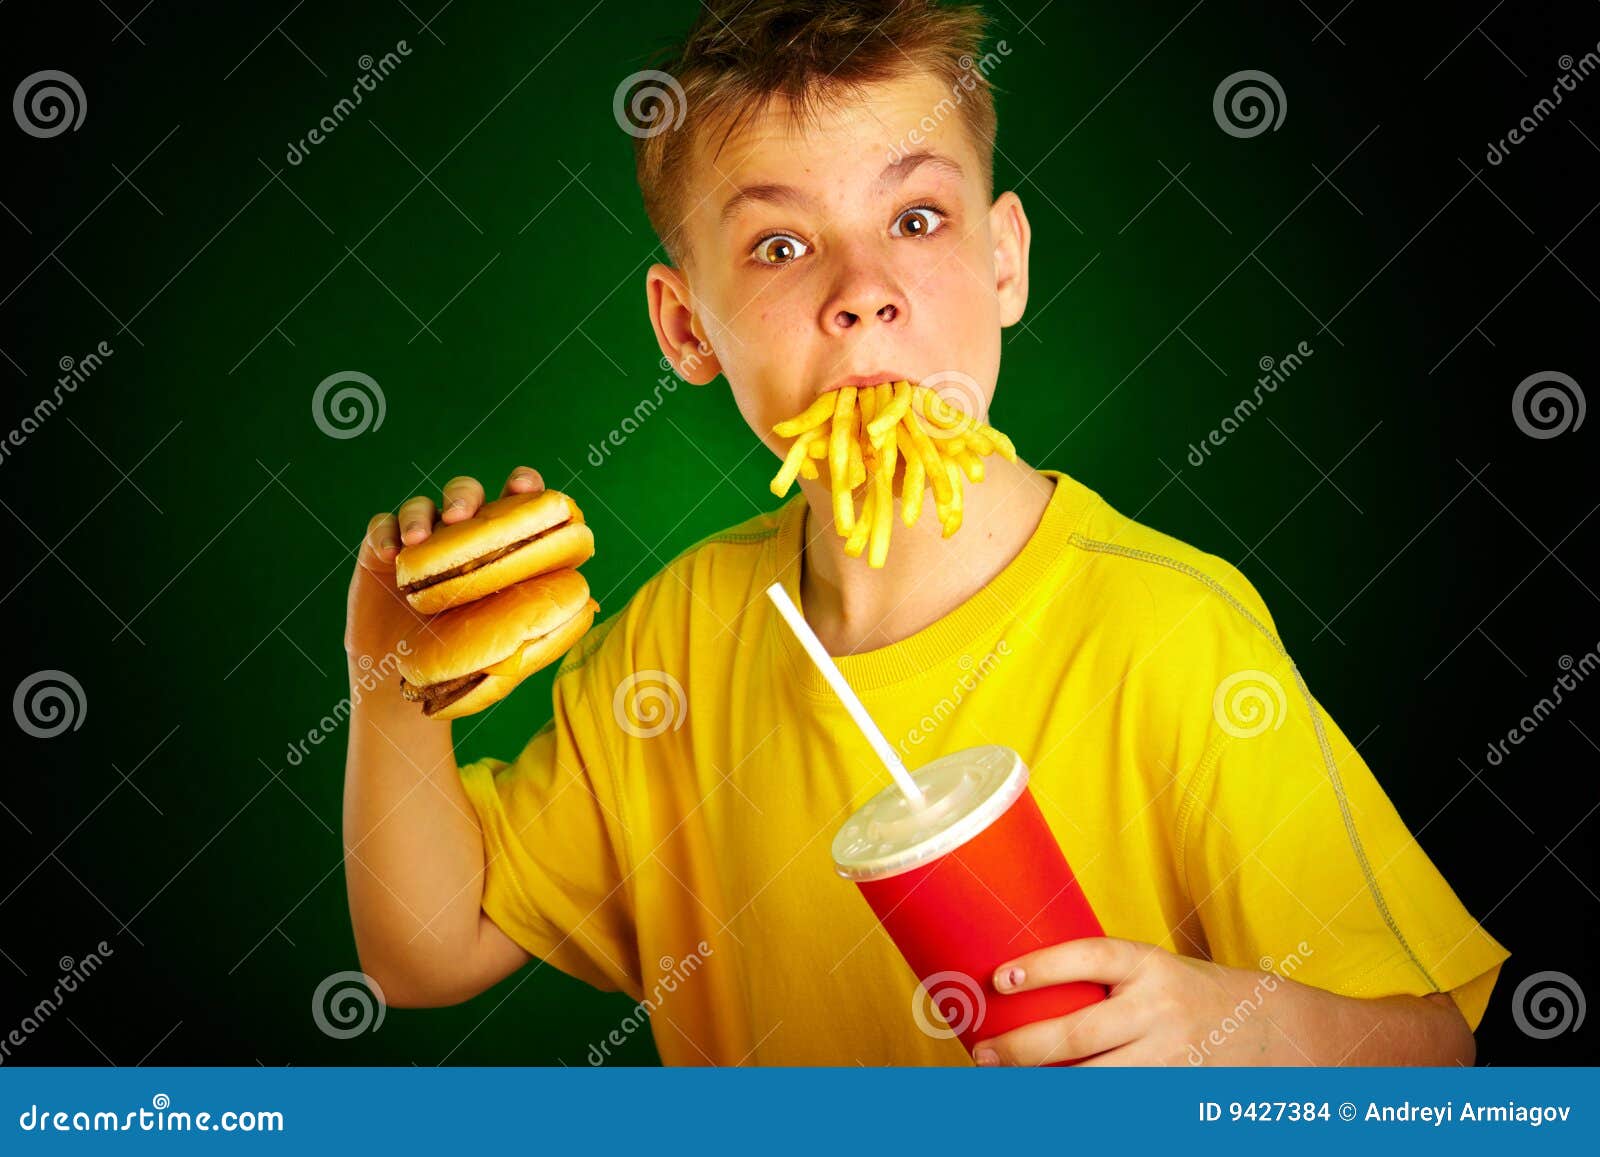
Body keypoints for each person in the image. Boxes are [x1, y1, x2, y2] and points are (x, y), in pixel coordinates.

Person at [342, 0, 1506, 1065]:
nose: (863, 289)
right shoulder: (677, 644)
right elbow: (428, 951)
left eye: (914, 216)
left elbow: (1438, 1054)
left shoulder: (1168, 632)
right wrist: (390, 681)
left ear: (1004, 259)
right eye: (781, 246)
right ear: (684, 324)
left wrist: (1236, 1034)